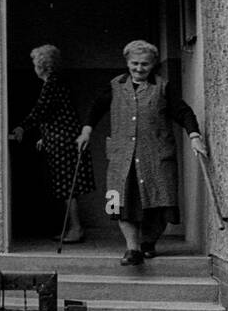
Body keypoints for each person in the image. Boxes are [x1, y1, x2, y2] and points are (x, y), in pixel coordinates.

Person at [77, 40, 208, 266]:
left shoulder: (163, 87)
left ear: (153, 64)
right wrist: (86, 131)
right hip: (122, 158)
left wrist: (194, 137)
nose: (139, 68)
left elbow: (184, 112)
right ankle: (132, 249)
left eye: (145, 64)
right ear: (127, 63)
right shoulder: (116, 85)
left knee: (159, 206)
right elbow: (97, 107)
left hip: (156, 158)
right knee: (120, 204)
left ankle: (148, 243)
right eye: (135, 63)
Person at [11, 45, 93, 243]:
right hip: (64, 138)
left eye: (35, 64)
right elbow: (57, 114)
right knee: (67, 188)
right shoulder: (57, 82)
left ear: (41, 65)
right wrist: (45, 136)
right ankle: (74, 227)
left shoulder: (52, 83)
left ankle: (76, 228)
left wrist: (22, 127)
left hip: (63, 142)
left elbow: (41, 109)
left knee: (67, 188)